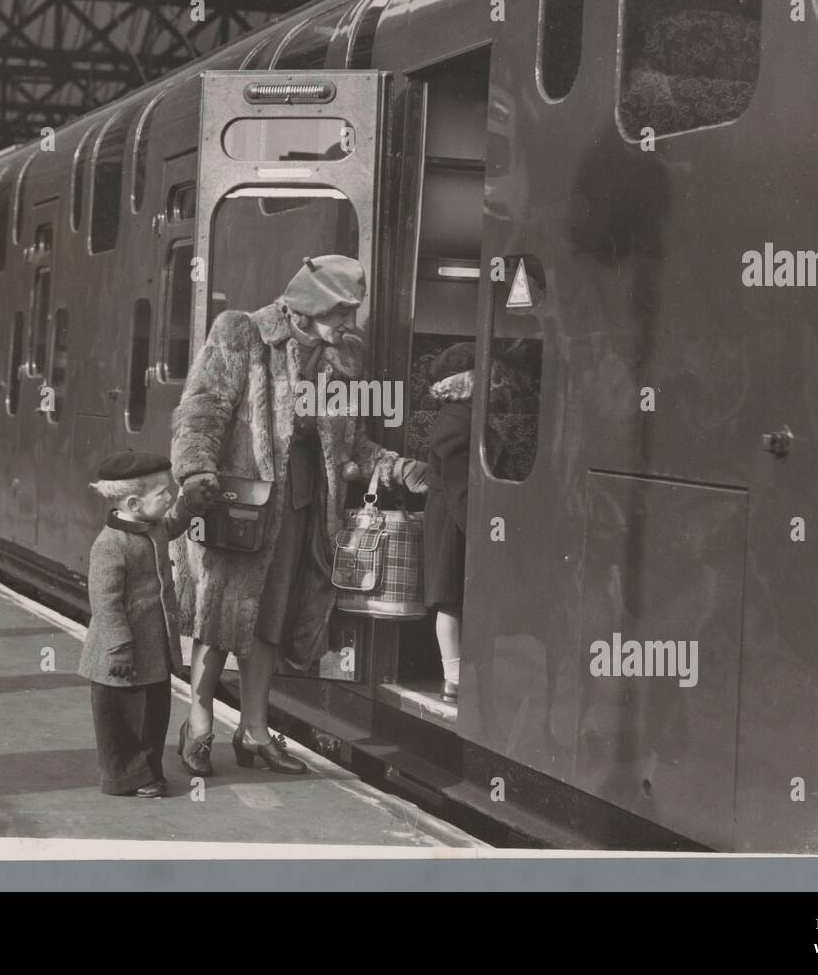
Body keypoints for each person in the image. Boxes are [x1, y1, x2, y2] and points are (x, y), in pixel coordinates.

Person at [171, 254, 426, 775]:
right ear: (307, 309)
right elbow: (204, 408)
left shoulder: (344, 357)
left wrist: (400, 469)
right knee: (219, 617)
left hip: (302, 508)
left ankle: (255, 731)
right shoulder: (242, 334)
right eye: (340, 313)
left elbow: (353, 445)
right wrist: (196, 470)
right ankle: (198, 723)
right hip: (238, 504)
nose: (350, 325)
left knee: (269, 620)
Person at [78, 450, 198, 798]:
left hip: (152, 650)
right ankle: (124, 778)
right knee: (120, 719)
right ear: (133, 501)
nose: (169, 497)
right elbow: (105, 602)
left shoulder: (154, 526)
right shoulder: (110, 545)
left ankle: (148, 772)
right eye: (162, 493)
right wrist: (118, 646)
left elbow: (173, 524)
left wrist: (191, 505)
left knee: (152, 715)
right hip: (120, 656)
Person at [421, 342, 507, 702]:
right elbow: (461, 489)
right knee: (450, 600)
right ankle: (453, 679)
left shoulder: (457, 418)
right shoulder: (461, 423)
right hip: (454, 523)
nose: (497, 382)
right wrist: (478, 533)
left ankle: (455, 677)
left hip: (451, 518)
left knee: (451, 600)